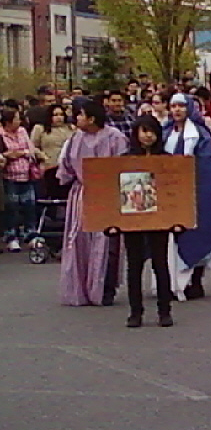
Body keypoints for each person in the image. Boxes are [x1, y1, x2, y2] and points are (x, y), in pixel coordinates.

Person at [163, 93, 211, 300]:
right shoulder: (164, 132)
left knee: (197, 234)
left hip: (196, 191)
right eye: (173, 106)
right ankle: (171, 282)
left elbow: (209, 164)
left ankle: (195, 280)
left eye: (181, 106)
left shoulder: (200, 134)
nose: (177, 110)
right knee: (171, 240)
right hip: (169, 195)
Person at [58, 100, 129, 306]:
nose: (76, 118)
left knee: (107, 242)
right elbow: (65, 168)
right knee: (80, 242)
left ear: (91, 117)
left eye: (80, 115)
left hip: (107, 194)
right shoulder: (75, 138)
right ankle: (80, 287)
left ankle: (105, 288)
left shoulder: (115, 137)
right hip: (82, 193)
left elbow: (123, 166)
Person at [114, 116, 175, 328]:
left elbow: (175, 189)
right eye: (143, 131)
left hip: (160, 217)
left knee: (160, 263)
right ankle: (135, 311)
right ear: (136, 133)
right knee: (135, 264)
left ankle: (164, 311)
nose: (148, 135)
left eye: (152, 131)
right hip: (133, 216)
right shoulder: (125, 159)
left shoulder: (167, 159)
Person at [1, 108, 41, 251]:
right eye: (17, 118)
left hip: (26, 175)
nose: (19, 121)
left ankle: (31, 234)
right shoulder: (1, 134)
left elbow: (30, 150)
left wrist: (19, 153)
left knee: (29, 206)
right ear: (8, 121)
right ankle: (11, 237)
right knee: (11, 208)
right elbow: (5, 154)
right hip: (9, 177)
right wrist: (12, 154)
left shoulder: (23, 131)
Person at [30, 103, 75, 200]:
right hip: (49, 167)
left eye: (61, 115)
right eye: (55, 115)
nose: (59, 118)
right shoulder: (40, 128)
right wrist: (43, 157)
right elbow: (33, 146)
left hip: (67, 168)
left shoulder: (71, 128)